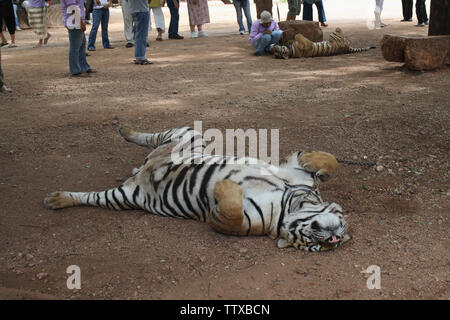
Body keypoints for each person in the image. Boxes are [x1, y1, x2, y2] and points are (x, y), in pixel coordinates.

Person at [60, 0, 93, 77]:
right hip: (74, 22)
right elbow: (73, 8)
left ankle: (83, 67)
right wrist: (81, 22)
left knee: (82, 45)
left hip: (76, 21)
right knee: (75, 47)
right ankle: (75, 71)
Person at [129, 0, 152, 64]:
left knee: (138, 34)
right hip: (142, 9)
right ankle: (140, 57)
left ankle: (139, 56)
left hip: (134, 9)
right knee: (142, 35)